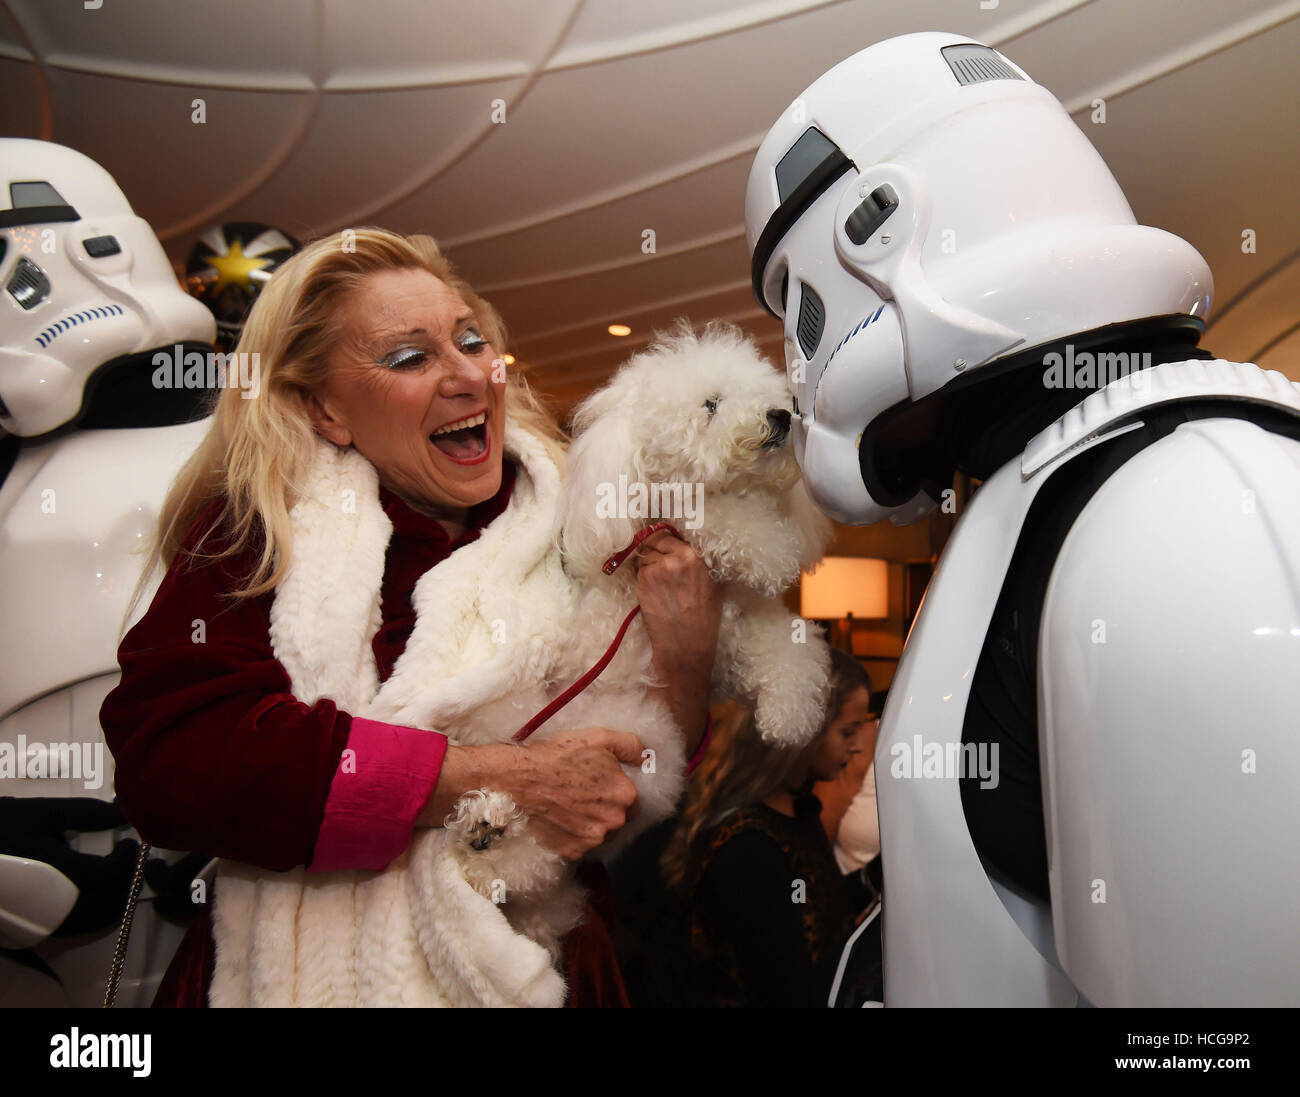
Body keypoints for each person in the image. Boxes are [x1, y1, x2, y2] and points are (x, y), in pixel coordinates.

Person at [745, 32, 1300, 1005]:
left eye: (796, 306)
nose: (796, 355)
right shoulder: (1075, 488)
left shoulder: (1185, 508)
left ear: (877, 229)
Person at [99, 227, 722, 1007]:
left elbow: (638, 778)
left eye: (470, 341)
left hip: (535, 965)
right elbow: (174, 763)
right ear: (325, 407)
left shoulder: (585, 522)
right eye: (410, 357)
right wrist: (498, 780)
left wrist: (689, 656)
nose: (470, 375)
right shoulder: (259, 531)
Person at [657, 647, 877, 1007]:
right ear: (806, 732)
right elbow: (791, 989)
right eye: (848, 732)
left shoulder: (797, 810)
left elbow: (822, 905)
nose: (856, 748)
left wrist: (879, 876)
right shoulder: (748, 848)